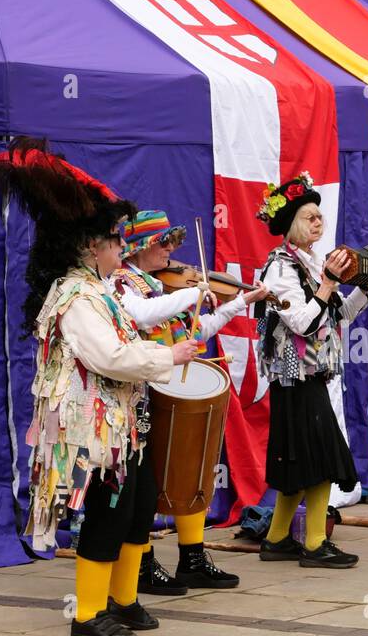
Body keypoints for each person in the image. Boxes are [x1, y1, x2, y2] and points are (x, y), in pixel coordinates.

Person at [0, 139, 196, 636]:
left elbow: (128, 337)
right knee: (106, 513)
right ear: (89, 248)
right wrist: (170, 357)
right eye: (115, 244)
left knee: (128, 509)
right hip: (90, 428)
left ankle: (119, 601)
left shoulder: (97, 290)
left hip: (115, 423)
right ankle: (88, 614)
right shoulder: (76, 296)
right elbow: (110, 357)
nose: (123, 251)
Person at [111, 210, 269, 595]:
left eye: (171, 242)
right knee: (146, 481)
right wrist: (192, 292)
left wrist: (238, 302)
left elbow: (198, 330)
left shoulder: (159, 285)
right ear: (138, 248)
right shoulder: (121, 284)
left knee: (193, 467)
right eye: (162, 242)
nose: (171, 251)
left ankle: (193, 558)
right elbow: (144, 316)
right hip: (145, 393)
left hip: (173, 387)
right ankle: (142, 564)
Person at [253, 173, 368, 568]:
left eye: (320, 216)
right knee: (320, 460)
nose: (318, 222)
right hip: (295, 378)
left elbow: (332, 318)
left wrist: (365, 289)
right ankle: (316, 544)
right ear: (289, 225)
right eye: (309, 217)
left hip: (308, 376)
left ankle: (276, 539)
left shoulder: (309, 264)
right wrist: (329, 283)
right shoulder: (280, 269)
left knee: (298, 461)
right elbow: (302, 322)